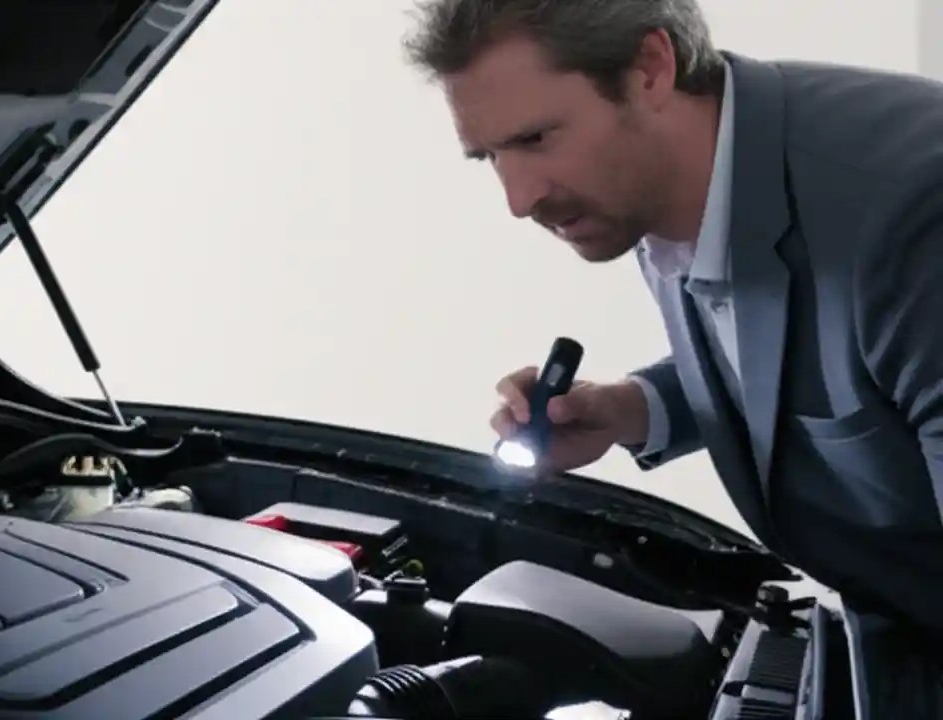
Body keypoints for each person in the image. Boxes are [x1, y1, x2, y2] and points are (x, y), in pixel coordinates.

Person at [403, 0, 943, 712]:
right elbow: (810, 341)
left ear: (650, 68)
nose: (518, 197)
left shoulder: (912, 211)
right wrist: (634, 408)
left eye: (535, 137)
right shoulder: (672, 182)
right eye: (490, 157)